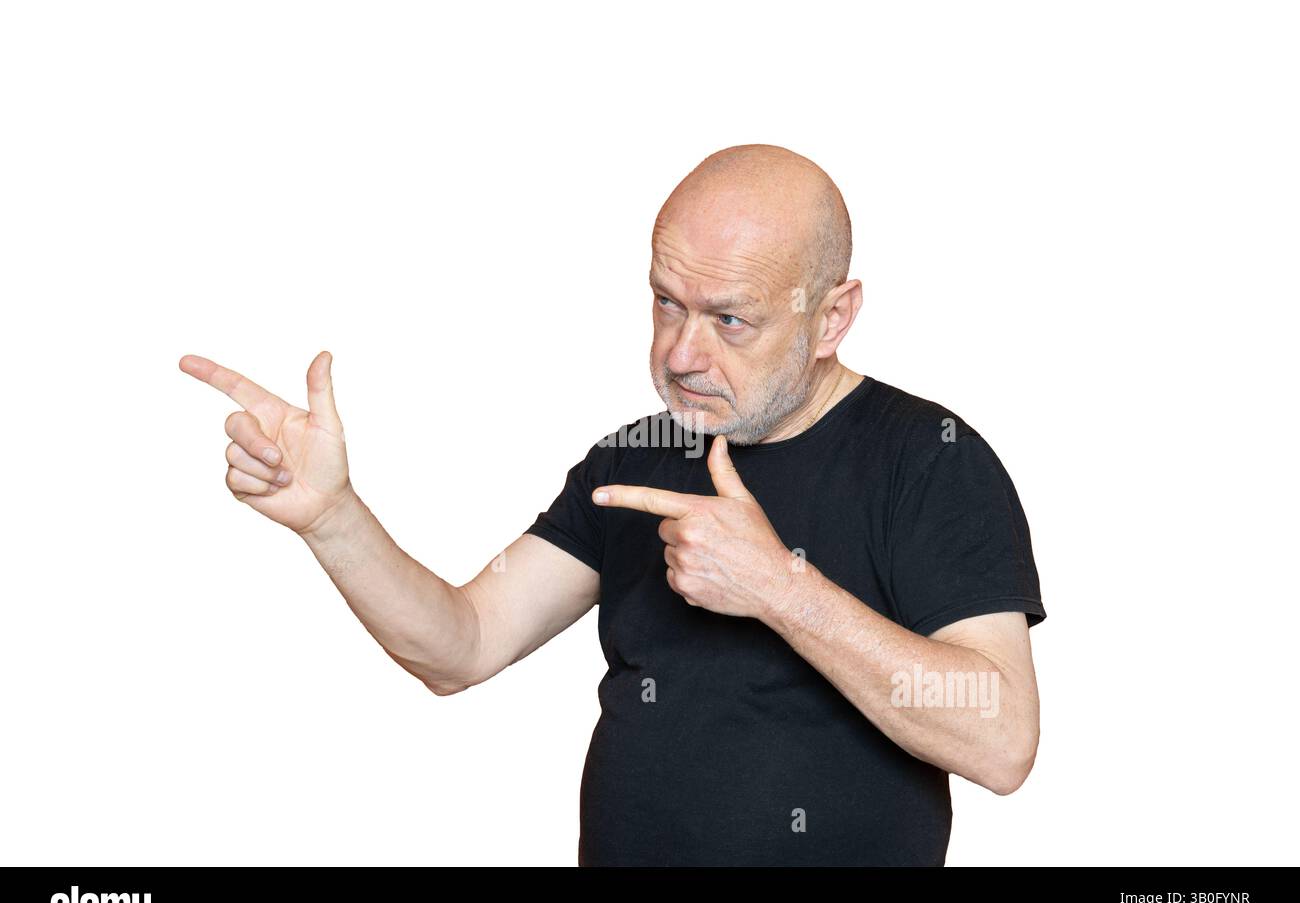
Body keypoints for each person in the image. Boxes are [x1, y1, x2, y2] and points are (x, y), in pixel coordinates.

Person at [179, 144, 1046, 866]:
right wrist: (332, 516)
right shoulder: (640, 456)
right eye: (666, 301)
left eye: (730, 319)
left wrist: (779, 588)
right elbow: (462, 644)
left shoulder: (929, 461)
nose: (681, 353)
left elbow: (1001, 741)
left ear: (830, 318)